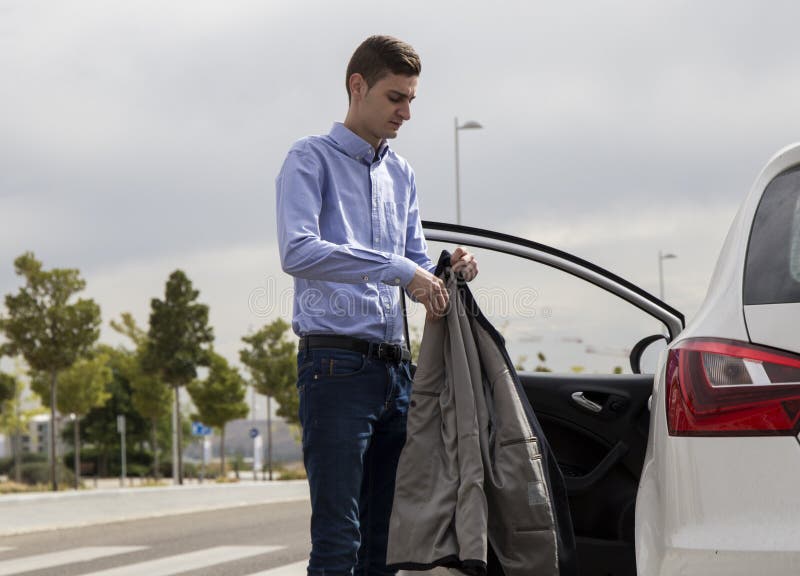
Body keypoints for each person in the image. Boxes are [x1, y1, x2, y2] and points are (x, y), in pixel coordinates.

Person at [276, 35, 478, 576]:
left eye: (411, 99)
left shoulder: (402, 173)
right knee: (339, 541)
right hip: (335, 369)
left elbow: (413, 263)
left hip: (398, 374)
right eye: (395, 98)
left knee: (387, 544)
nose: (406, 112)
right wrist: (397, 269)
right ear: (357, 86)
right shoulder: (308, 158)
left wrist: (445, 273)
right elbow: (297, 250)